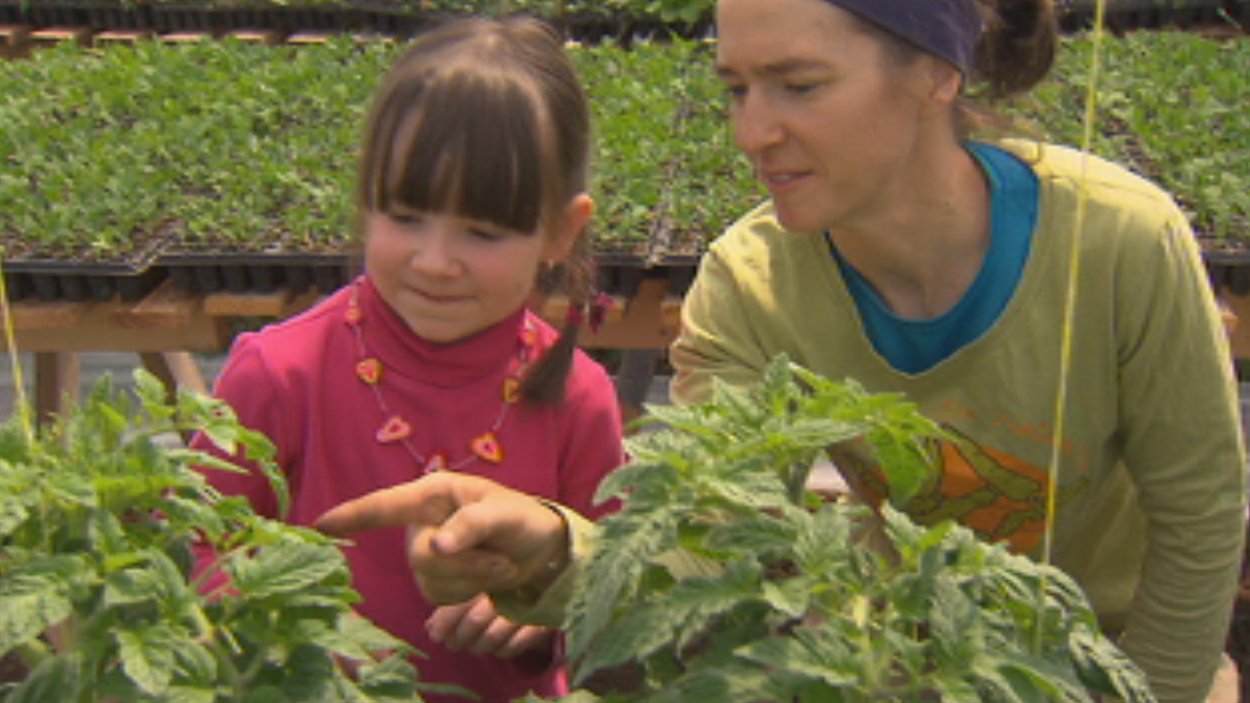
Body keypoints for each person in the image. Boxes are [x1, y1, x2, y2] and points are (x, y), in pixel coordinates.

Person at [319, 1, 1248, 702]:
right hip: (896, 666)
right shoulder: (748, 288)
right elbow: (714, 544)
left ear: (937, 72)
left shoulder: (1120, 241)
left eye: (798, 86)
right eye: (736, 88)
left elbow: (1200, 515)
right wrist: (554, 551)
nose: (752, 132)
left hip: (1115, 662)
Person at [192, 15, 625, 703]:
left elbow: (618, 602)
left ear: (560, 233)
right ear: (367, 202)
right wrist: (263, 615)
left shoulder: (578, 399)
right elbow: (194, 542)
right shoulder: (279, 373)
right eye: (405, 216)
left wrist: (541, 611)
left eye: (482, 231)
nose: (434, 261)